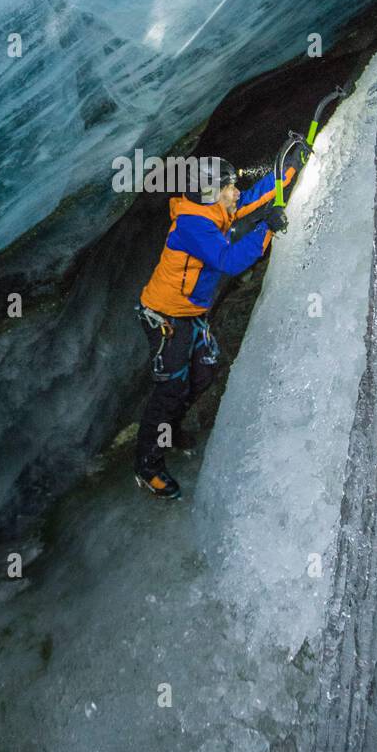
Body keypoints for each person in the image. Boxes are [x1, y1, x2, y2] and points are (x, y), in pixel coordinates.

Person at [133, 139, 309, 498]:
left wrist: (288, 166)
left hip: (191, 314)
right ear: (212, 193)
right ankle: (147, 466)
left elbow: (253, 198)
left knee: (205, 371)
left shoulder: (215, 209)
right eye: (228, 186)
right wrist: (268, 229)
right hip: (166, 317)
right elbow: (228, 261)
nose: (235, 190)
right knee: (170, 389)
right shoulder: (192, 227)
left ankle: (170, 428)